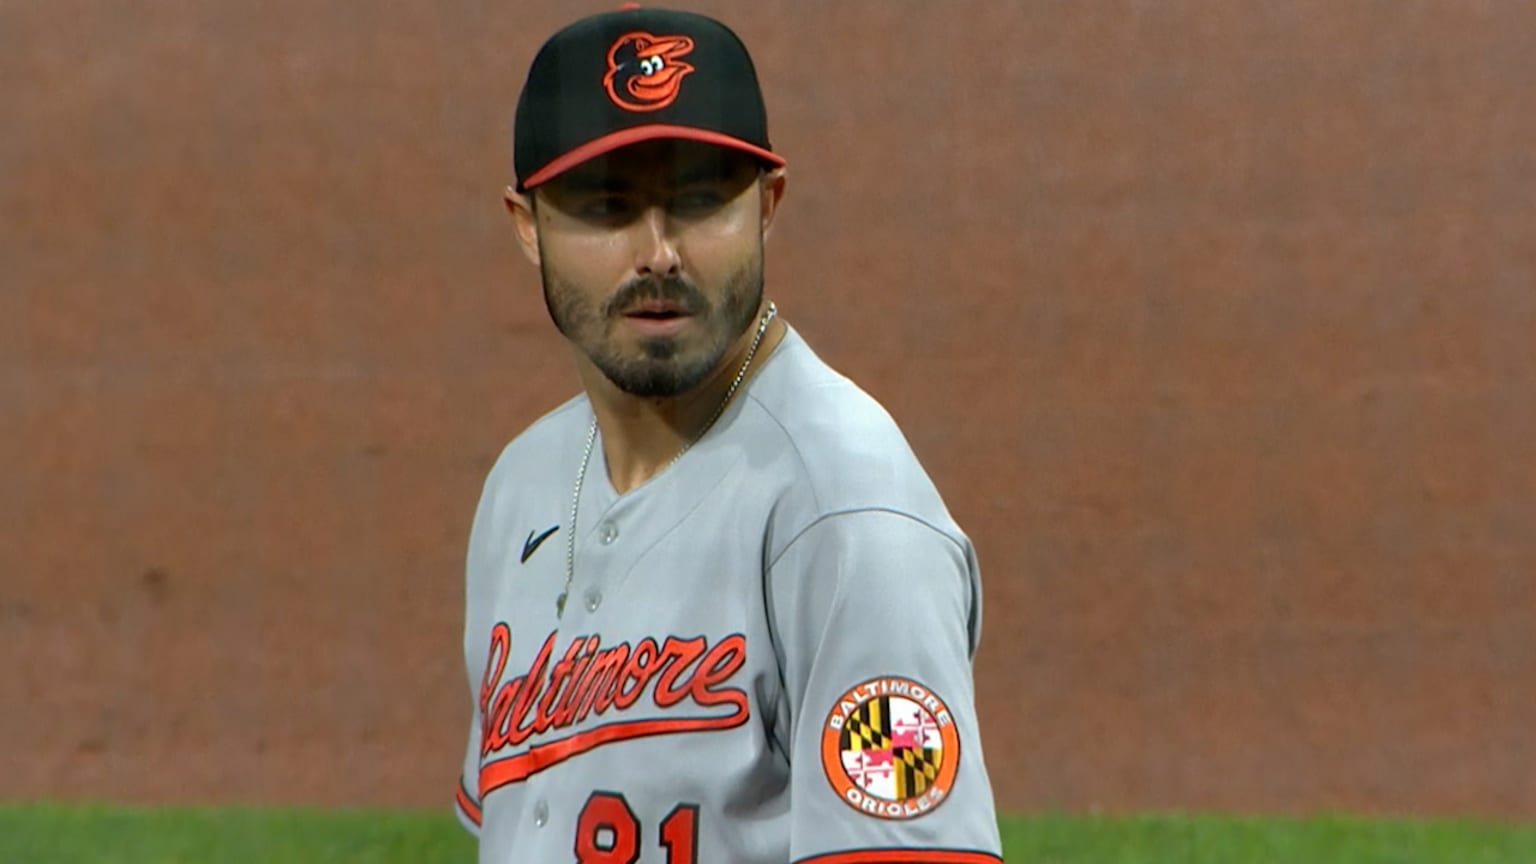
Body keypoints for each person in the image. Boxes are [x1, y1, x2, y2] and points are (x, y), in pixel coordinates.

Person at [454, 6, 1003, 862]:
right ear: (528, 225)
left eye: (700, 200)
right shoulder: (523, 487)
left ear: (766, 207)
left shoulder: (847, 515)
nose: (659, 252)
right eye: (607, 207)